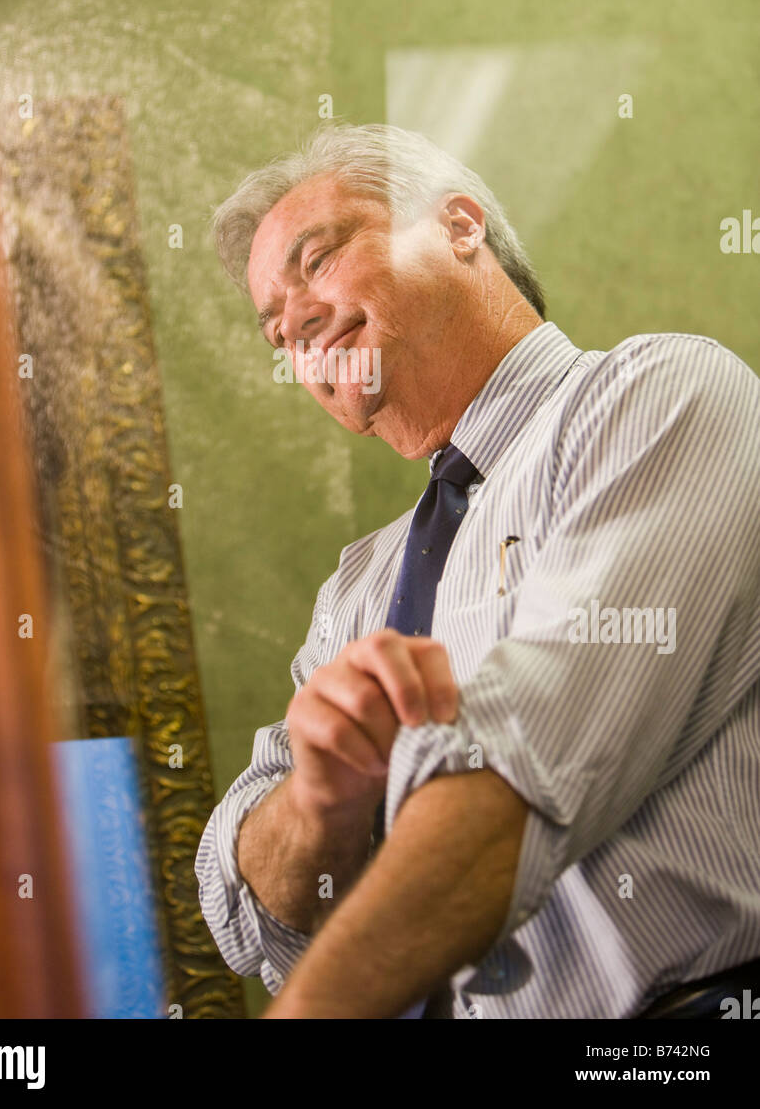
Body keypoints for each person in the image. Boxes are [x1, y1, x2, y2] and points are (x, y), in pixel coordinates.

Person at [195, 122, 760, 1019]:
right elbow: (250, 911)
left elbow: (525, 761)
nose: (294, 322)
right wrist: (319, 801)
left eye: (318, 259)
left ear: (460, 226)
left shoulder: (664, 397)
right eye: (273, 326)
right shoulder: (355, 592)